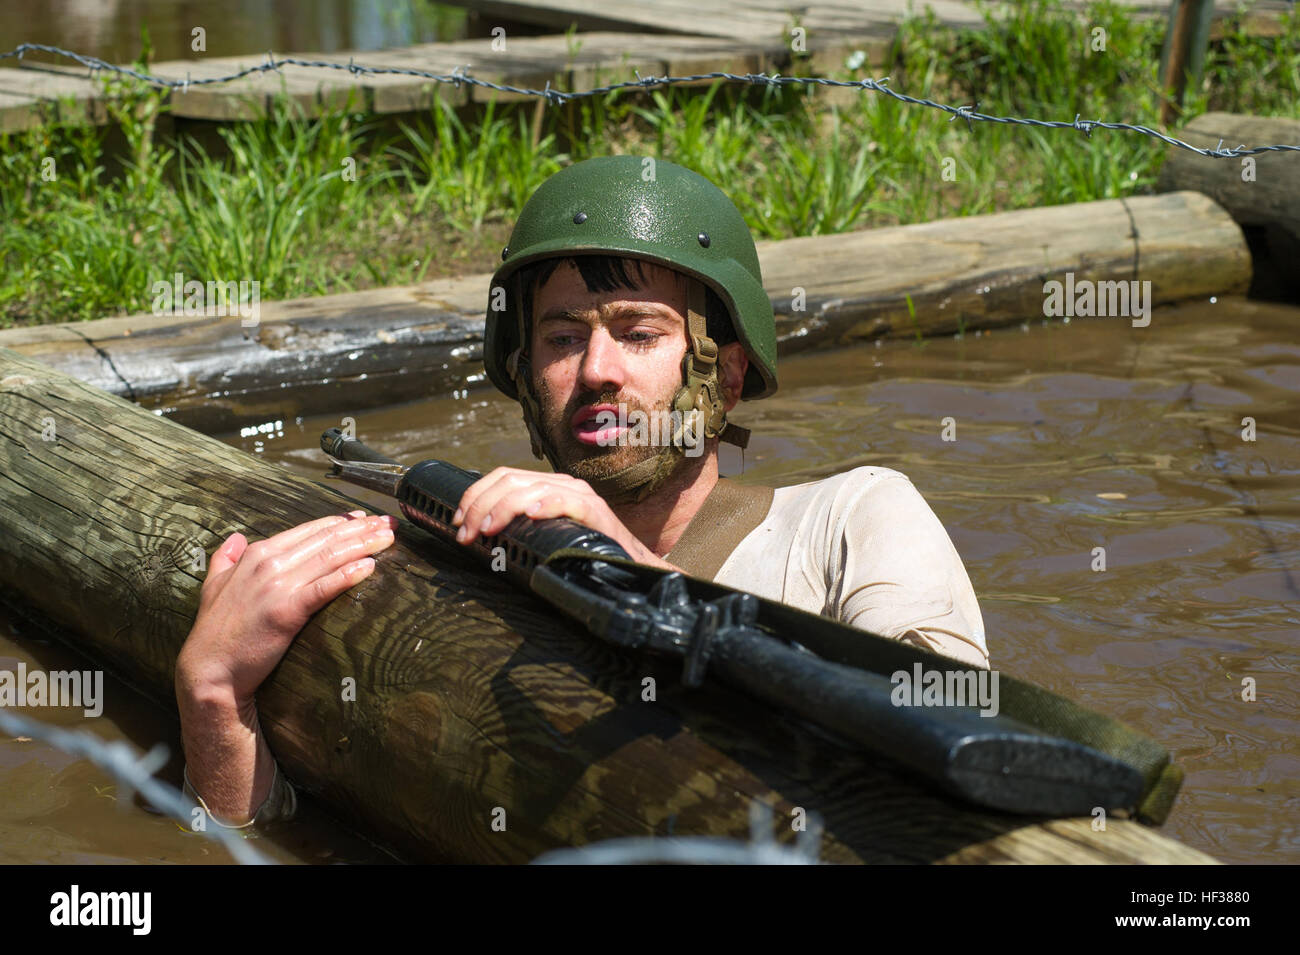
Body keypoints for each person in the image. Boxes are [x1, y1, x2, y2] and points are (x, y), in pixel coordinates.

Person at [174, 156, 988, 829]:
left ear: (726, 374)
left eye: (639, 333)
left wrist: (625, 566)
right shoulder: (464, 568)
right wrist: (213, 700)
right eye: (564, 337)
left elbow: (955, 754)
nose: (597, 368)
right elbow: (281, 841)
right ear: (526, 374)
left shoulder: (855, 518)